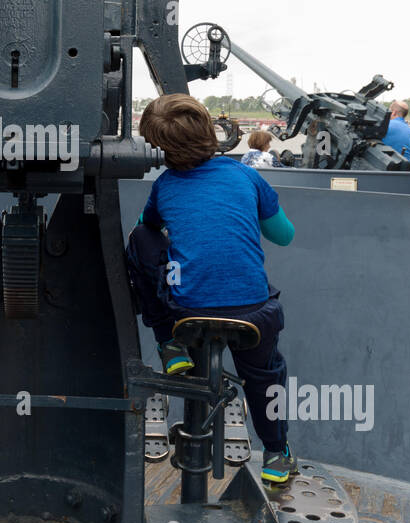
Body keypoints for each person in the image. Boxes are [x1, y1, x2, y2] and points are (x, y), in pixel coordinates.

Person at [126, 93, 297, 485]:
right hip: (253, 314)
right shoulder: (247, 176)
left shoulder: (166, 186)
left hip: (188, 313)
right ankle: (275, 453)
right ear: (210, 131)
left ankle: (169, 346)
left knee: (140, 239)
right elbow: (284, 236)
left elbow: (145, 228)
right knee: (266, 375)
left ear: (160, 148)